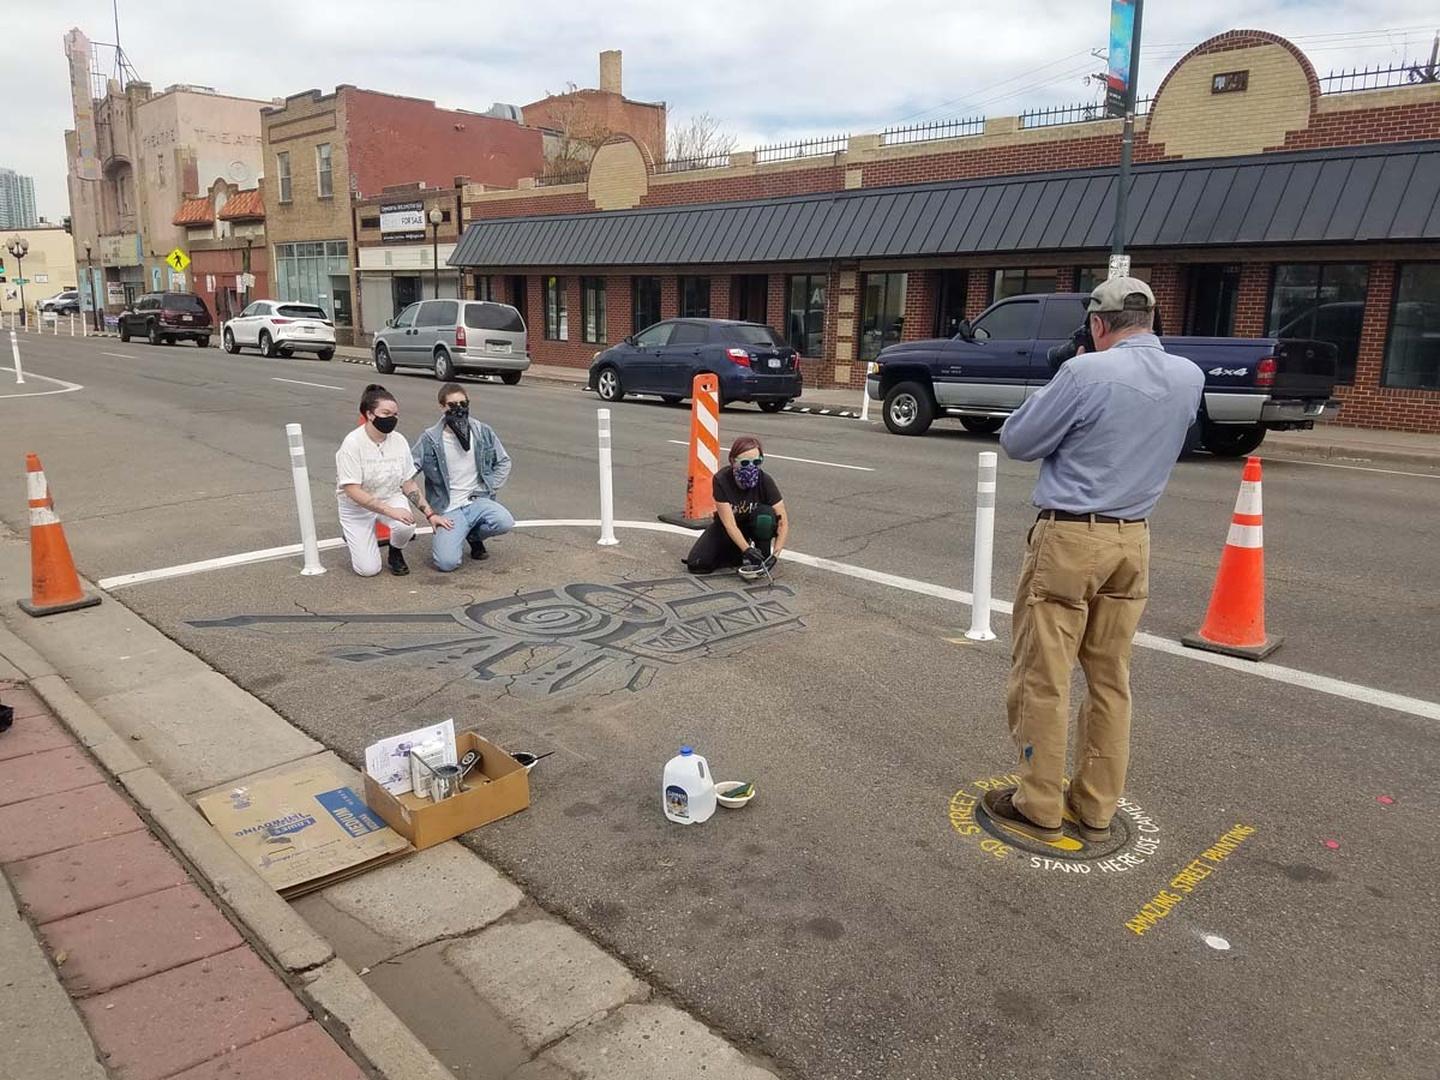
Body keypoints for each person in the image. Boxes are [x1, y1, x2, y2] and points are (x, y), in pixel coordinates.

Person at [983, 278, 1204, 845]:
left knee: (1045, 675)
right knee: (1110, 679)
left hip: (1071, 537)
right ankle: (1098, 804)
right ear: (1151, 320)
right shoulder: (1188, 376)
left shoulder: (1086, 373)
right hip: (1133, 539)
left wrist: (1066, 376)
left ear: (1099, 325)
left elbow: (1019, 439)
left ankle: (1039, 801)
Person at [411, 382, 515, 572]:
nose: (459, 409)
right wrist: (430, 513)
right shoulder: (430, 439)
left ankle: (474, 536)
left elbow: (503, 462)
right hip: (448, 508)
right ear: (442, 407)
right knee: (446, 563)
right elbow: (408, 474)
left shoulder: (482, 432)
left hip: (477, 500)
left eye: (463, 403)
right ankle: (458, 534)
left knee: (504, 521)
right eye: (452, 405)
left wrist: (488, 488)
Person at [337, 384, 428, 577]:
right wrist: (390, 511)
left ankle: (395, 553)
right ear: (370, 414)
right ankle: (358, 538)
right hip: (356, 507)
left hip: (389, 495)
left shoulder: (399, 440)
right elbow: (352, 489)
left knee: (406, 524)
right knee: (368, 570)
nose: (392, 418)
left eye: (395, 414)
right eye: (386, 413)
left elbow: (408, 482)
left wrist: (429, 513)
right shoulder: (352, 444)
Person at [684, 436, 790, 580]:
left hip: (755, 525)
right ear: (733, 461)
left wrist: (775, 555)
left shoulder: (765, 480)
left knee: (765, 515)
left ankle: (761, 554)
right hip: (730, 526)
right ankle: (736, 552)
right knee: (698, 564)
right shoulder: (721, 480)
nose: (752, 467)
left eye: (757, 462)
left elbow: (782, 521)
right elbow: (729, 524)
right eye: (745, 463)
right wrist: (746, 549)